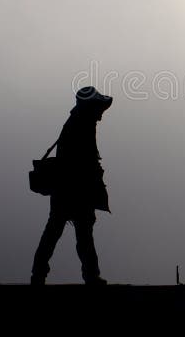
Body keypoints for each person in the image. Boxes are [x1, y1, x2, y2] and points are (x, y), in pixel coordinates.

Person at [31, 86, 113, 285]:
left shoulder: (78, 122)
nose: (101, 115)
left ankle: (41, 273)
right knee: (73, 232)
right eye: (98, 109)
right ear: (91, 107)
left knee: (61, 232)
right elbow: (82, 164)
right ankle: (89, 276)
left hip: (69, 189)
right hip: (73, 190)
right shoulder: (81, 125)